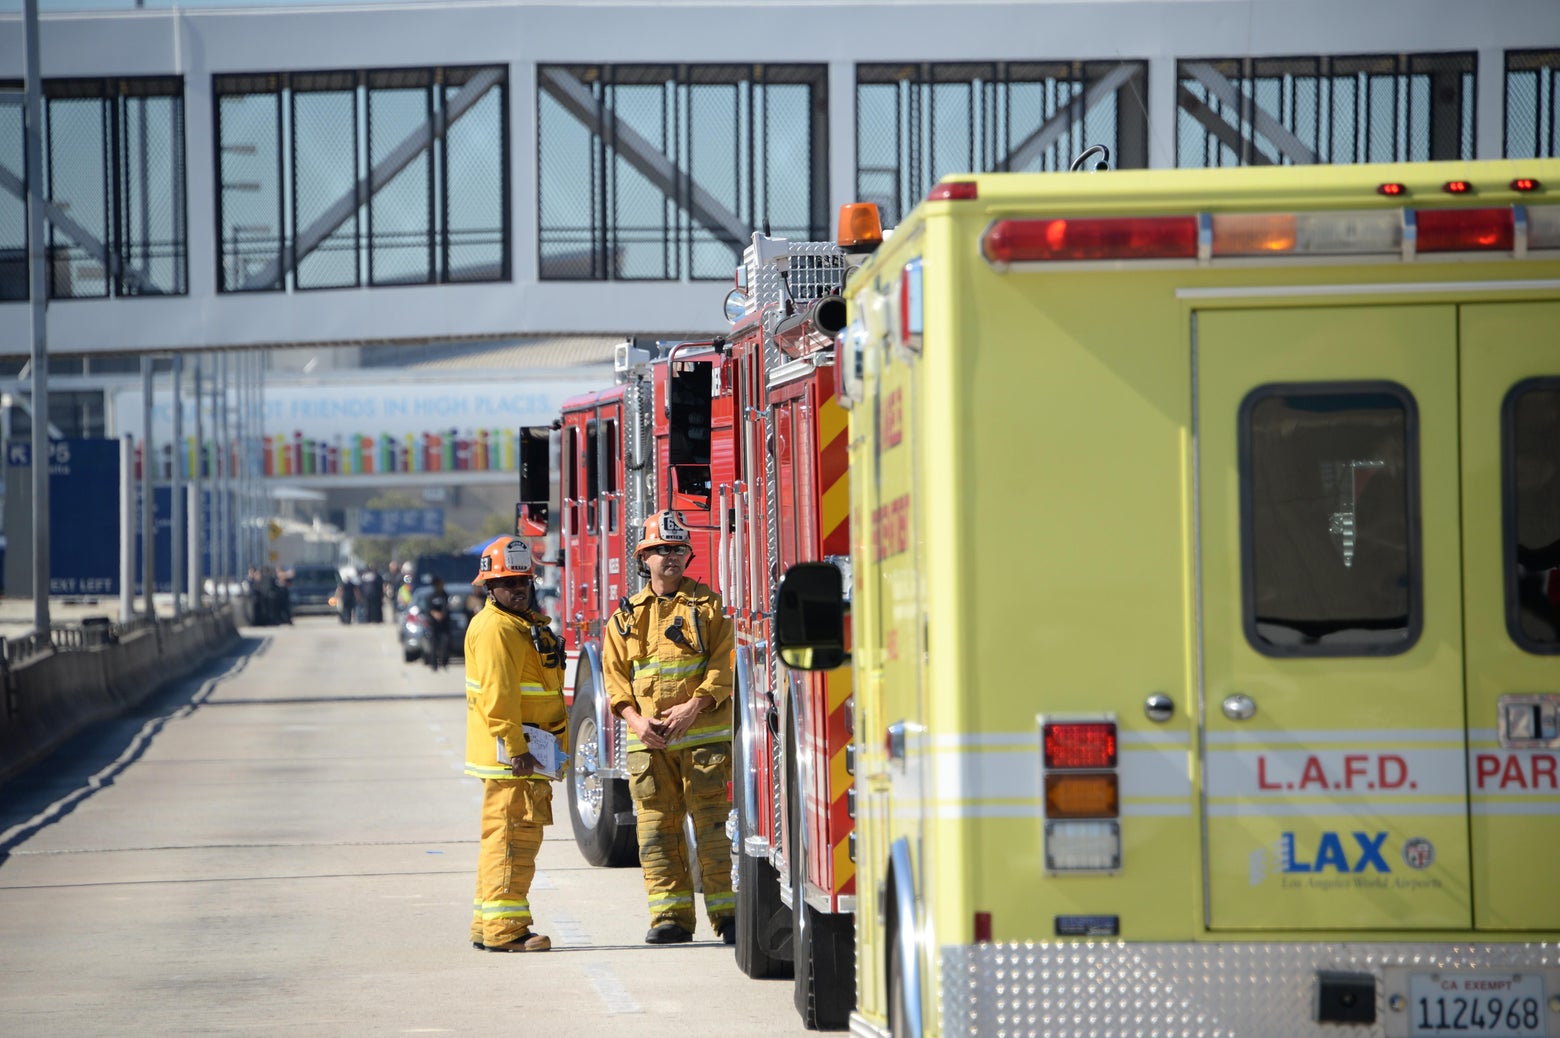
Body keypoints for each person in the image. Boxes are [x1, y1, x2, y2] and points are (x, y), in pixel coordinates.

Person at [603, 509, 736, 945]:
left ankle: (728, 917)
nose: (670, 557)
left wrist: (694, 707)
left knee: (714, 828)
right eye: (661, 550)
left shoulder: (710, 607)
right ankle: (670, 919)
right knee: (656, 831)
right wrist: (636, 722)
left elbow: (724, 664)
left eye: (678, 549)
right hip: (649, 742)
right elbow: (615, 680)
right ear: (645, 559)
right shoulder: (624, 617)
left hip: (703, 739)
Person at [463, 536, 568, 952]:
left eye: (523, 579)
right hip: (515, 758)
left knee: (501, 839)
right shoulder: (496, 629)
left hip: (524, 754)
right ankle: (506, 931)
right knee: (512, 842)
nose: (518, 587)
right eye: (508, 581)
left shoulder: (518, 624)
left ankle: (485, 923)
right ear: (489, 585)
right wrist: (518, 748)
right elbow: (498, 696)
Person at [426, 576, 453, 670]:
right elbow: (429, 609)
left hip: (444, 623)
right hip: (434, 624)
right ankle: (434, 664)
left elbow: (447, 608)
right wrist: (435, 614)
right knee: (434, 644)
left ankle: (444, 662)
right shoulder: (431, 596)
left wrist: (442, 614)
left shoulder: (445, 595)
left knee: (446, 642)